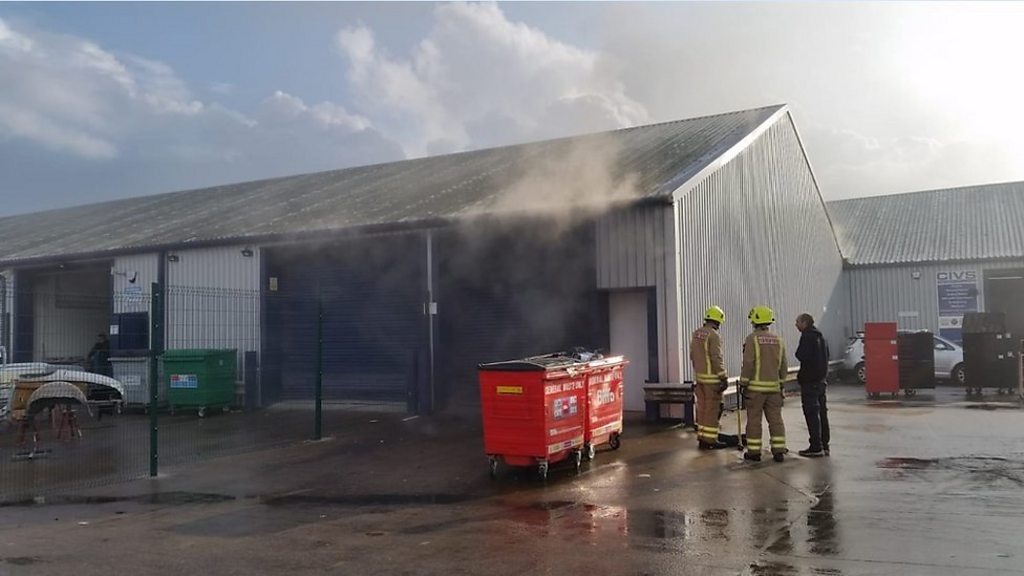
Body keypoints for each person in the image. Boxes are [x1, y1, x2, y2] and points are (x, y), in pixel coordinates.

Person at [740, 306, 788, 463]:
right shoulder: (778, 340)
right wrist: (781, 385)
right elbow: (783, 365)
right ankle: (779, 450)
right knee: (776, 420)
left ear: (755, 321)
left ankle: (754, 452)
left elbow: (748, 363)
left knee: (754, 420)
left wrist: (743, 383)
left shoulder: (752, 339)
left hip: (755, 390)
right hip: (774, 389)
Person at [689, 305, 729, 450]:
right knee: (712, 410)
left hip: (700, 379)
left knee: (702, 409)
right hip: (712, 380)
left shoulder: (696, 333)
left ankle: (702, 437)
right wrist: (722, 376)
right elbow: (716, 357)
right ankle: (711, 440)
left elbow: (692, 355)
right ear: (717, 321)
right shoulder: (713, 335)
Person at [795, 313, 830, 457]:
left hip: (810, 382)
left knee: (811, 413)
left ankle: (815, 446)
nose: (796, 324)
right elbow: (827, 355)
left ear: (805, 323)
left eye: (797, 322)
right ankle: (824, 444)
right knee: (822, 413)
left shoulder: (807, 337)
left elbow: (801, 355)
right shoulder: (821, 337)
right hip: (821, 381)